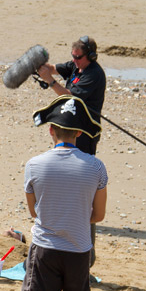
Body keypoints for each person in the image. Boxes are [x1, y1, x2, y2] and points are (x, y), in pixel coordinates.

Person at [21, 95, 106, 291]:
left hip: (45, 248)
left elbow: (33, 212)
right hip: (78, 248)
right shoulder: (95, 167)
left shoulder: (34, 165)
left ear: (51, 131)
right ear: (79, 133)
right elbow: (98, 215)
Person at [37, 36, 106, 267]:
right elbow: (56, 68)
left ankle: (87, 253)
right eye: (73, 56)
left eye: (79, 57)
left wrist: (49, 82)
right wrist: (42, 68)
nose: (74, 61)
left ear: (91, 57)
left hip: (85, 135)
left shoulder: (93, 74)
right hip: (69, 131)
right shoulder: (76, 65)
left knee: (81, 184)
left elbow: (72, 98)